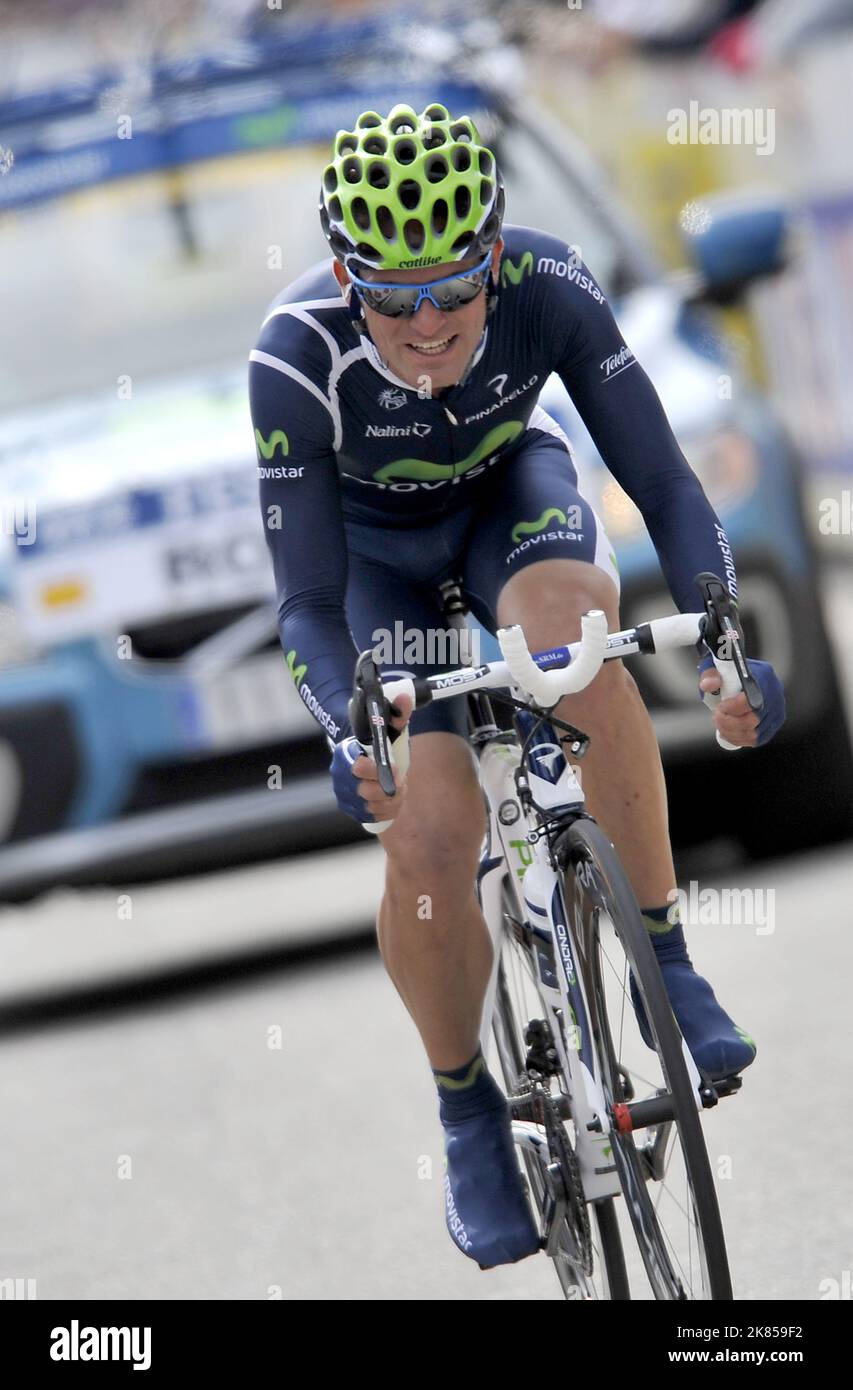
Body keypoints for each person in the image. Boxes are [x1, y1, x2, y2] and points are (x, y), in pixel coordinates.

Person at [249, 102, 784, 1269]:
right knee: (430, 830)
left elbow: (665, 480)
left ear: (496, 255)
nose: (427, 322)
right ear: (349, 280)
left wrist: (723, 640)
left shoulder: (550, 281)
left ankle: (667, 965)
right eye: (392, 298)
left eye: (453, 286)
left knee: (570, 633)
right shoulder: (295, 352)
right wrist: (354, 728)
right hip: (371, 569)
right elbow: (301, 600)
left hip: (508, 503)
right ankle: (466, 1108)